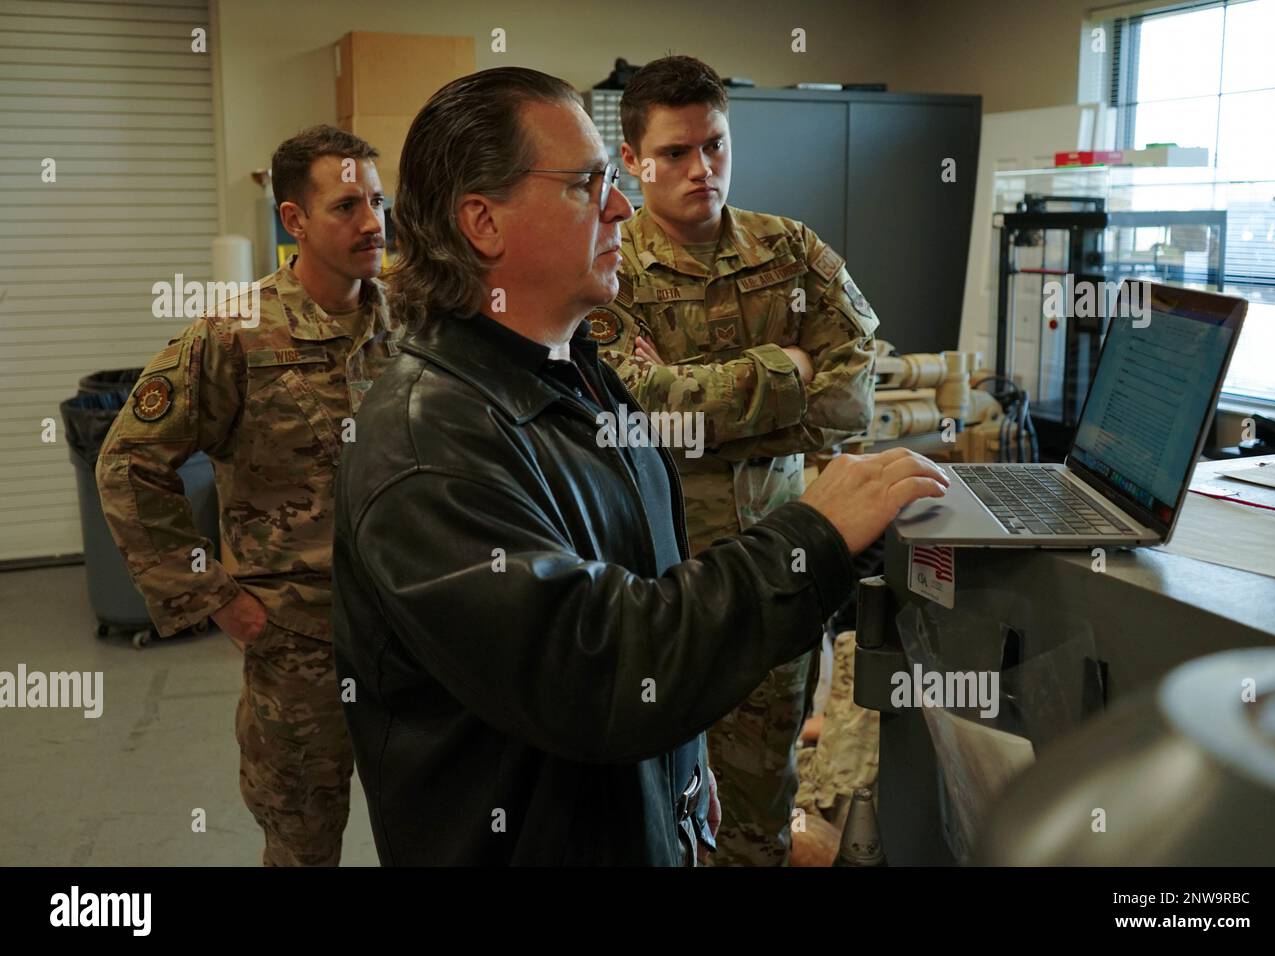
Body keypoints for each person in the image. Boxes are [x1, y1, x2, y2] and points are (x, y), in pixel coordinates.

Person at [330, 66, 947, 866]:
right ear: (483, 222)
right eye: (590, 185)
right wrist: (813, 534)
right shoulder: (428, 448)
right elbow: (606, 665)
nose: (622, 205)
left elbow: (642, 582)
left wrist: (681, 775)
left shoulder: (573, 370)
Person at [592, 55, 881, 865]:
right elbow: (639, 409)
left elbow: (851, 401)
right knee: (652, 805)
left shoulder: (789, 252)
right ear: (634, 161)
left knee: (761, 803)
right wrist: (783, 368)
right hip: (658, 583)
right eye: (675, 153)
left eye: (713, 145)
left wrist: (704, 403)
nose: (700, 169)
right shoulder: (610, 269)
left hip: (782, 569)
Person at [96, 126, 399, 866]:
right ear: (294, 221)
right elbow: (128, 464)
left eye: (380, 202)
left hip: (411, 636)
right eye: (347, 206)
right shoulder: (235, 335)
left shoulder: (413, 325)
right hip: (298, 647)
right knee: (302, 844)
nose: (372, 223)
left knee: (435, 829)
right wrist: (214, 597)